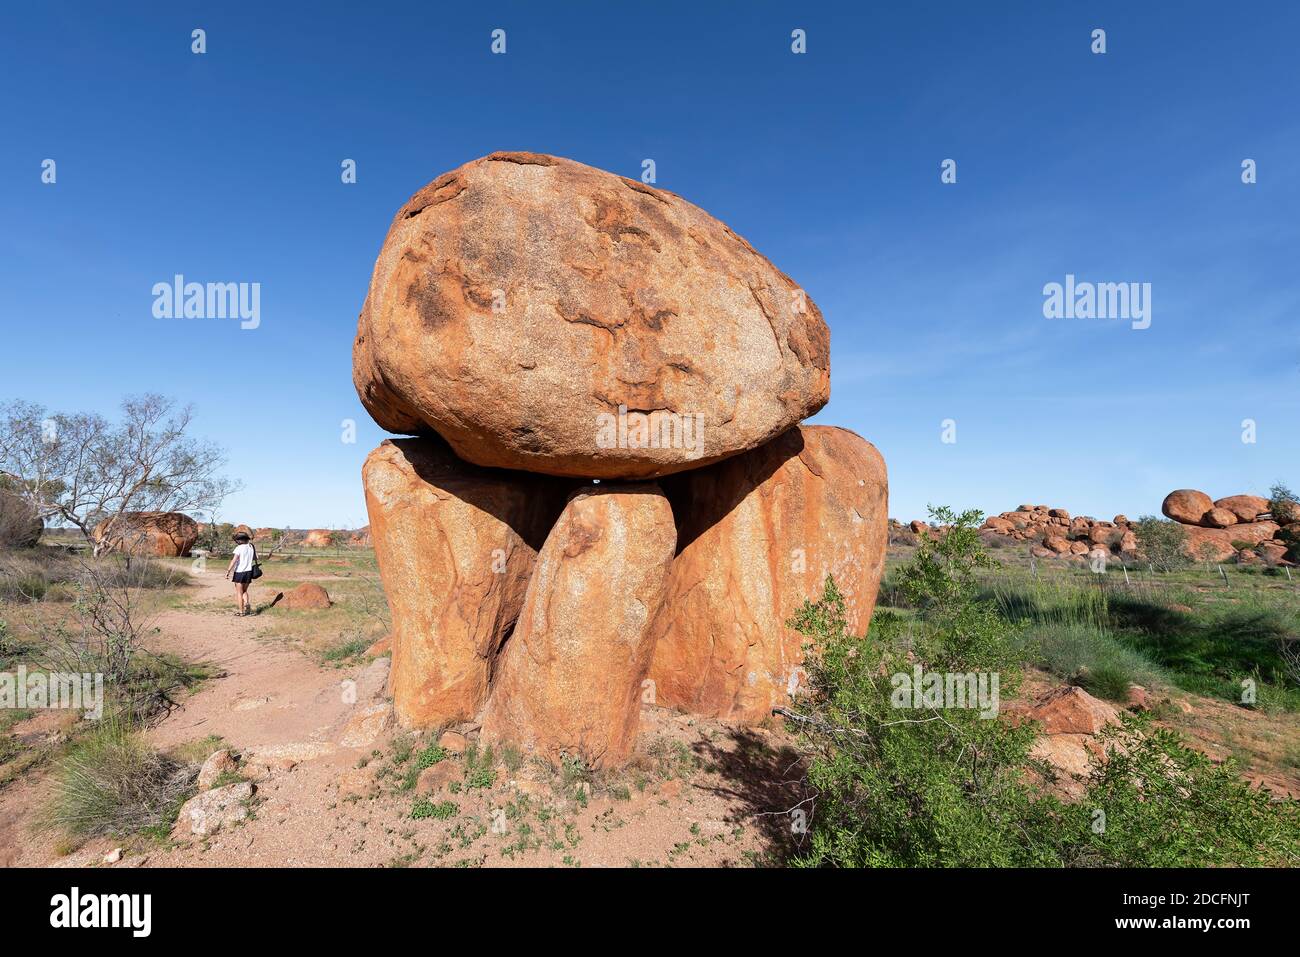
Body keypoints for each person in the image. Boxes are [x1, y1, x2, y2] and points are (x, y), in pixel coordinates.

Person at [226, 531, 257, 616]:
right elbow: (255, 558)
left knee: (239, 592)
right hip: (249, 572)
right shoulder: (251, 547)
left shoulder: (239, 548)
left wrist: (228, 571)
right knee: (244, 591)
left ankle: (241, 612)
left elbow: (234, 560)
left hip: (239, 572)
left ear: (239, 540)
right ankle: (247, 602)